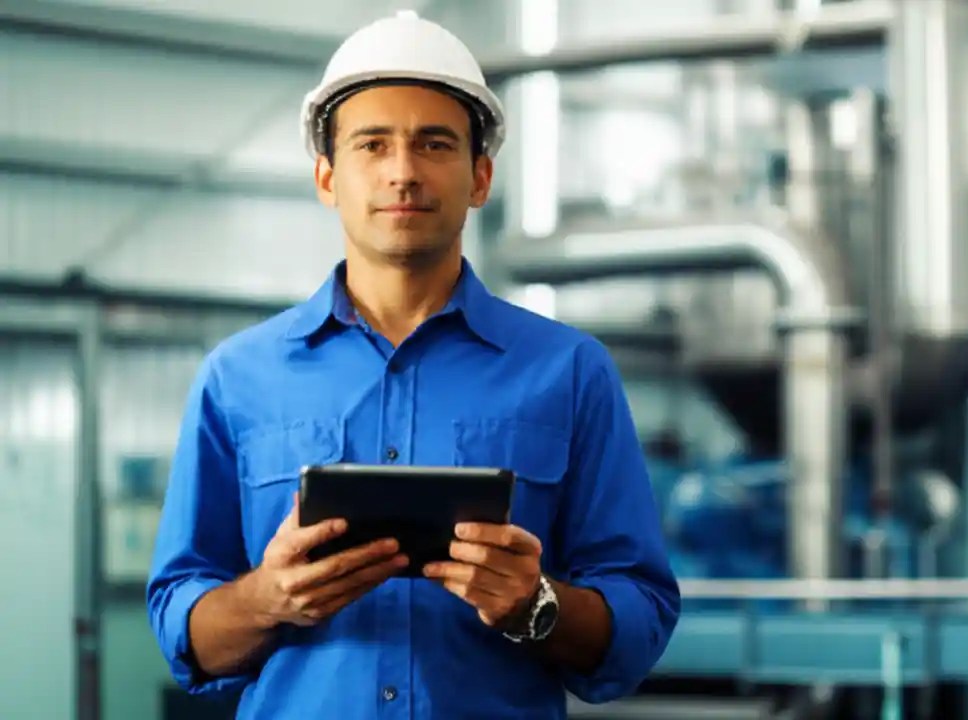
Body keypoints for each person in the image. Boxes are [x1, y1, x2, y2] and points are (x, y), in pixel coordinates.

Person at [145, 10, 681, 719]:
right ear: (327, 177)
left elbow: (639, 622)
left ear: (480, 177)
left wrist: (535, 604)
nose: (403, 172)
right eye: (372, 144)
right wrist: (266, 598)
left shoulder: (571, 373)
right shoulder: (237, 379)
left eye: (434, 143)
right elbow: (184, 633)